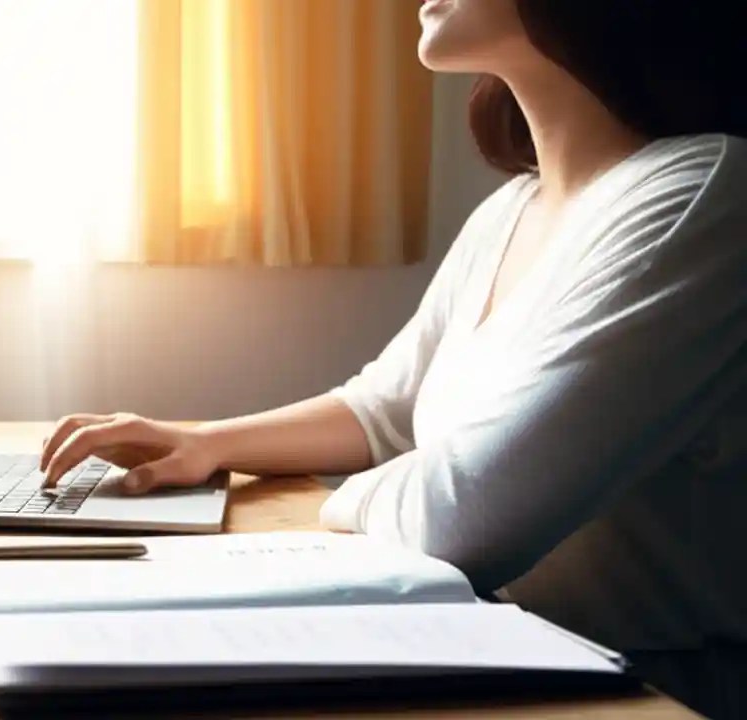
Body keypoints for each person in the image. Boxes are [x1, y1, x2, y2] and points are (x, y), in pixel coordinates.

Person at [38, 0, 747, 714]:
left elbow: (460, 518)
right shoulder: (514, 207)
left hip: (654, 692)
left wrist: (319, 507)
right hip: (504, 645)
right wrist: (206, 442)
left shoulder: (706, 190)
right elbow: (388, 407)